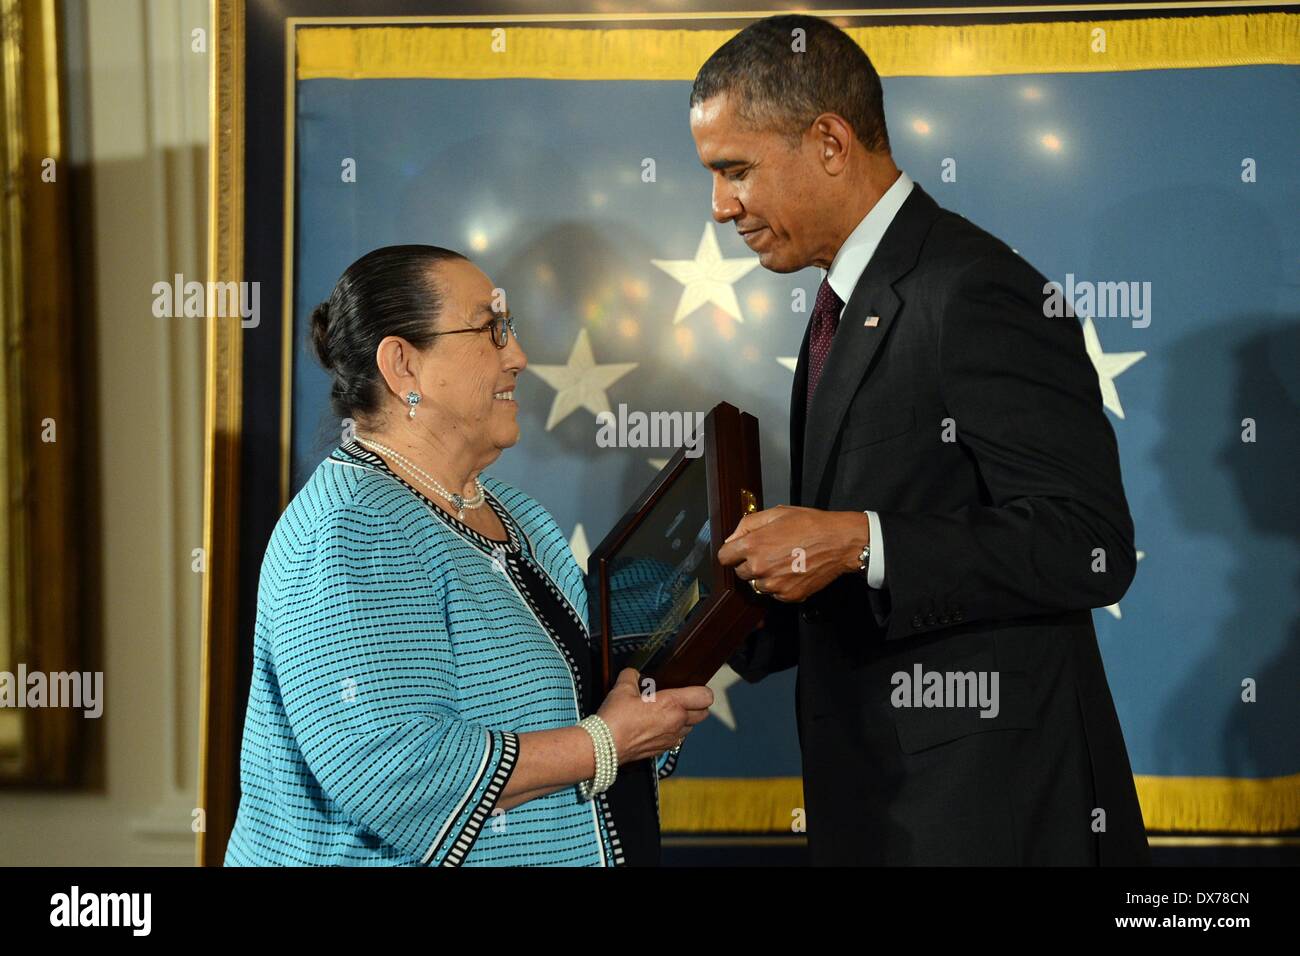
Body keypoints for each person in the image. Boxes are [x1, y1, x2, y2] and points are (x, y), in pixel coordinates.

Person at [691, 15, 1150, 865]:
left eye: (735, 170)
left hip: (992, 816)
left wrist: (858, 538)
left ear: (829, 141)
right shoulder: (846, 300)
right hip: (886, 806)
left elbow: (1088, 542)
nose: (721, 207)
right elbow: (870, 568)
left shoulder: (972, 289)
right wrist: (705, 627)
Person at [224, 244, 712, 866]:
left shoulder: (518, 514)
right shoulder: (347, 527)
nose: (518, 355)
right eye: (491, 330)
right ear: (403, 365)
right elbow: (388, 768)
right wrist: (604, 745)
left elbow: (582, 690)